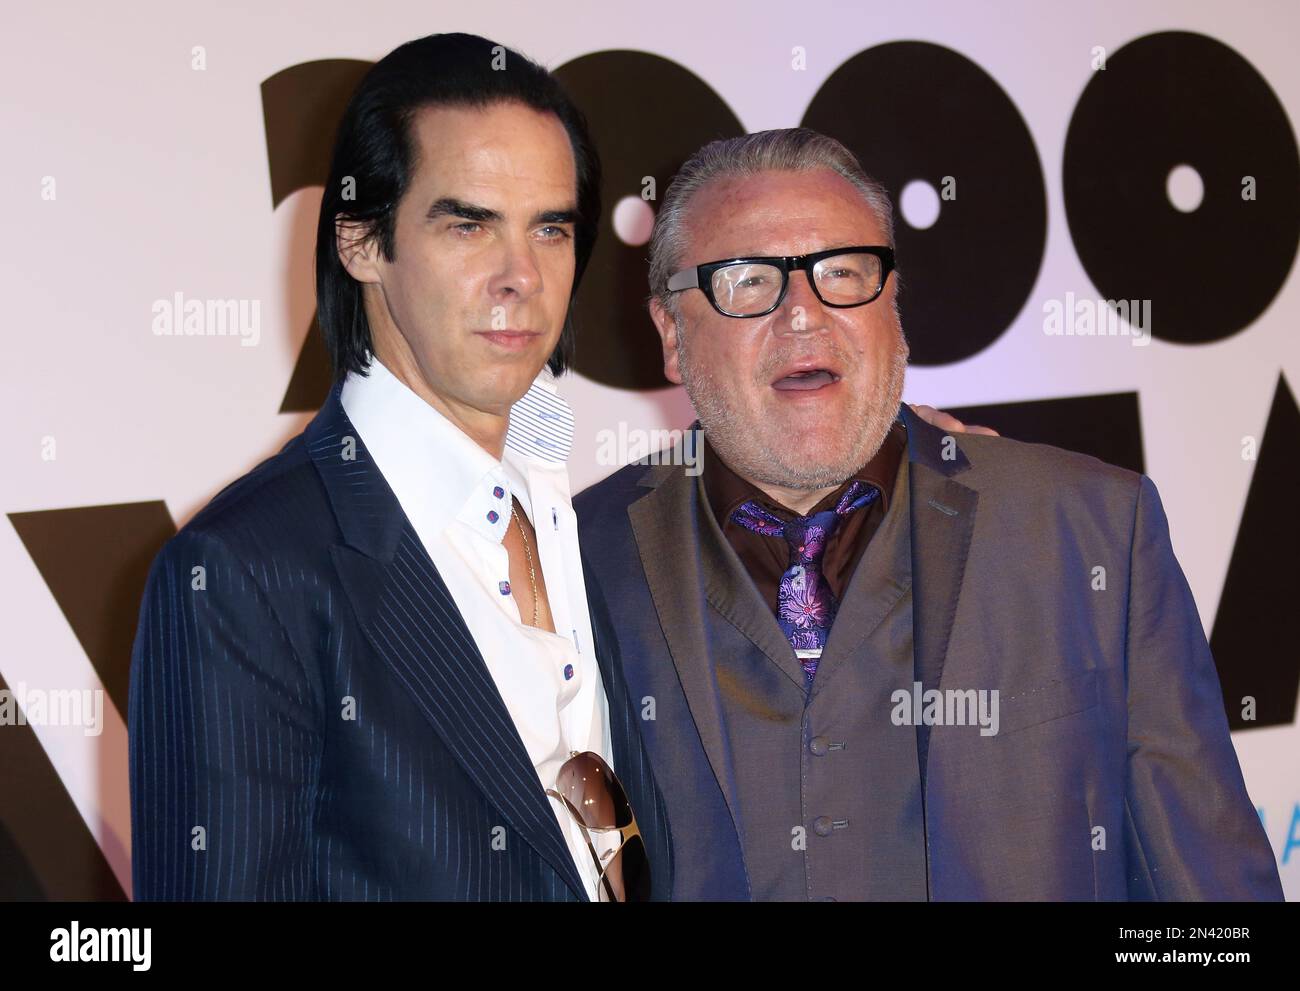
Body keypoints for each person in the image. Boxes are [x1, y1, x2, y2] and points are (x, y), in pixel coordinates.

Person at [574, 127, 1284, 901]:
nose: (804, 314)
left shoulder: (1092, 529)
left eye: (843, 272)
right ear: (672, 335)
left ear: (894, 309)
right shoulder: (578, 558)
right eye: (748, 282)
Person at [128, 32, 670, 902]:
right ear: (359, 241)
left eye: (551, 229)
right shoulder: (243, 570)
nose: (521, 276)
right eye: (468, 224)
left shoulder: (581, 519)